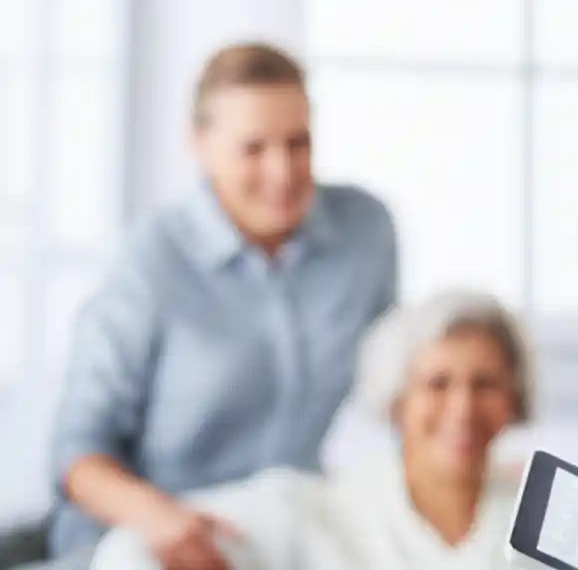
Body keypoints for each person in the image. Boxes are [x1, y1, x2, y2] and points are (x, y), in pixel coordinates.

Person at [47, 43, 398, 568]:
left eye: (298, 144)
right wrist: (160, 519)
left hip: (280, 530)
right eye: (253, 149)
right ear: (201, 145)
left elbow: (397, 385)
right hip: (146, 536)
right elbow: (76, 454)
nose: (282, 172)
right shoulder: (150, 259)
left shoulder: (364, 233)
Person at [88, 290, 531, 570]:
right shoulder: (311, 512)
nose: (463, 408)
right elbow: (130, 553)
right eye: (437, 384)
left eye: (486, 384)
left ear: (513, 399)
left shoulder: (542, 520)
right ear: (398, 400)